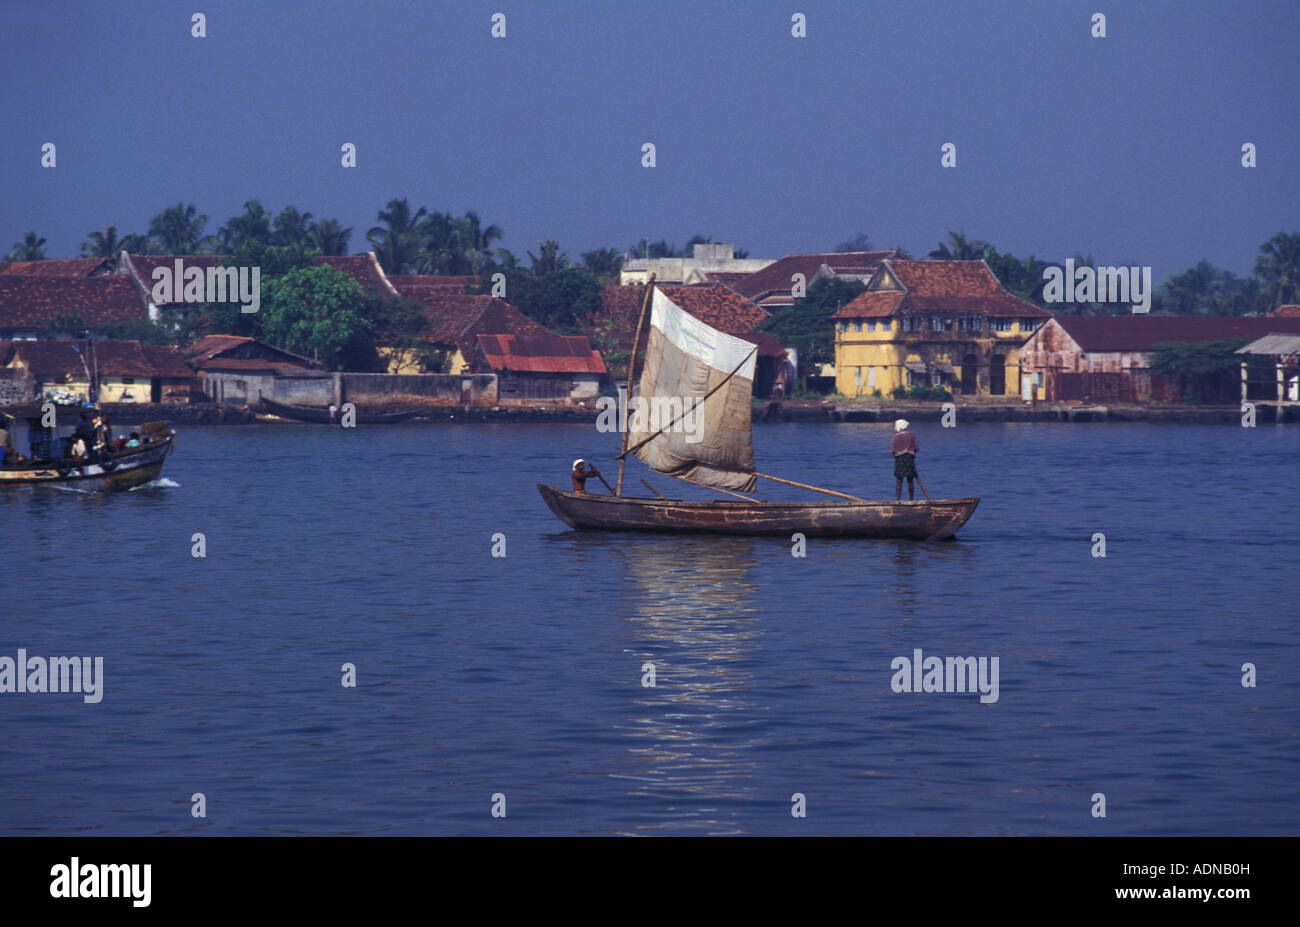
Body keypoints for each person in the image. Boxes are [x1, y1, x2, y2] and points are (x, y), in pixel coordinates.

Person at [891, 419, 932, 502]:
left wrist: (897, 456)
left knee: (899, 480)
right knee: (910, 480)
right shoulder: (912, 436)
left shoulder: (895, 437)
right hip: (909, 458)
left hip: (899, 459)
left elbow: (893, 450)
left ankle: (898, 500)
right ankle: (911, 500)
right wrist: (911, 454)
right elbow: (916, 448)